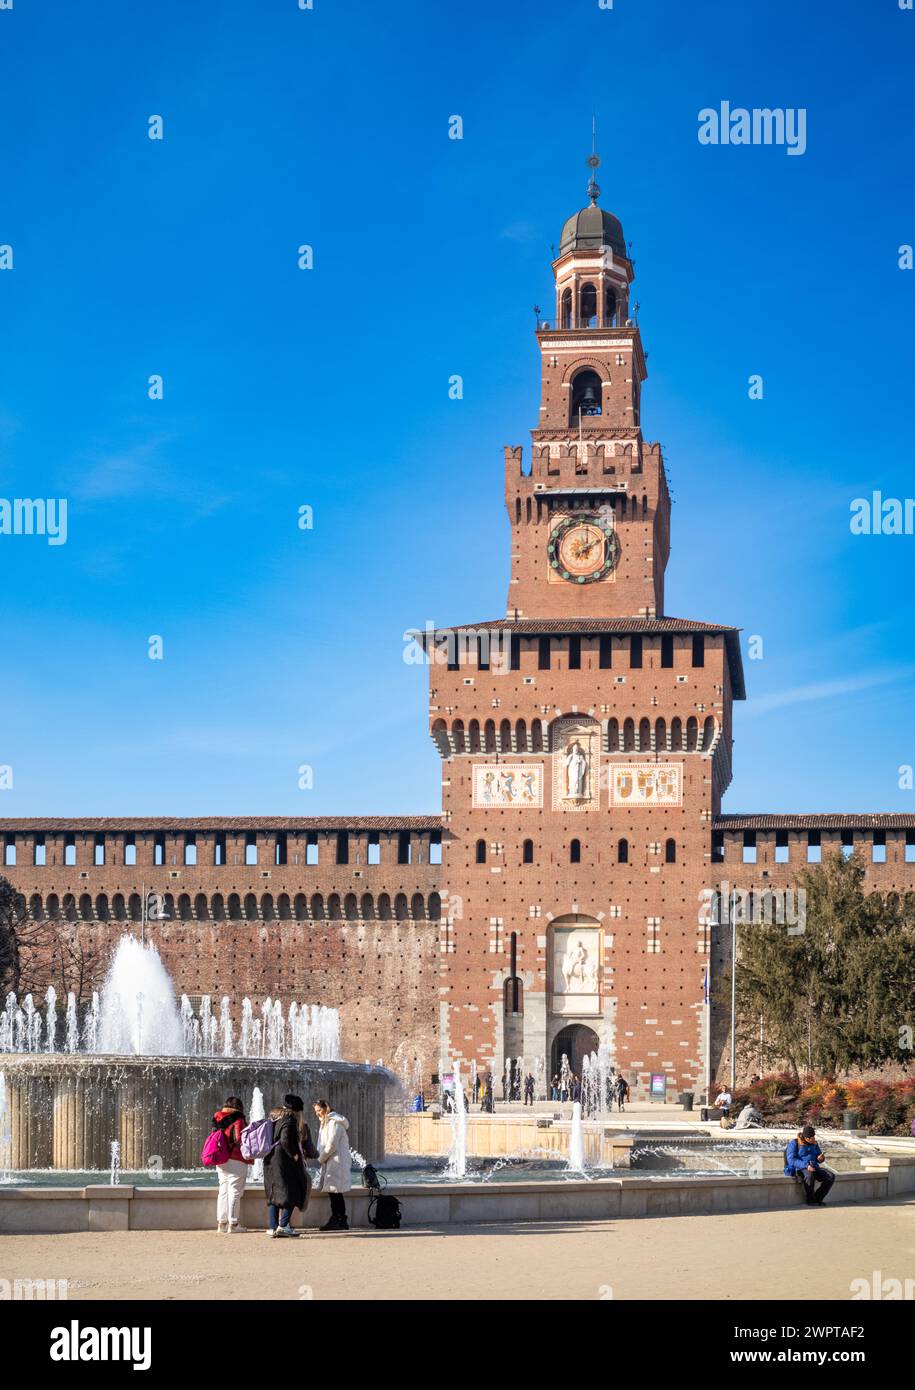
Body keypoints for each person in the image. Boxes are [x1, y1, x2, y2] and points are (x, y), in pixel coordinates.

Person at [264, 1093, 316, 1238]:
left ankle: (272, 1227)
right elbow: (286, 1139)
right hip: (283, 1160)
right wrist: (294, 1154)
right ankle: (283, 1225)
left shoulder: (275, 1116)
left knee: (274, 1193)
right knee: (292, 1192)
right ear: (297, 1109)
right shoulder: (289, 1119)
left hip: (270, 1158)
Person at [212, 1095, 253, 1234]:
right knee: (235, 1191)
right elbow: (240, 1139)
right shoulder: (238, 1119)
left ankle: (221, 1224)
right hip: (236, 1158)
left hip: (221, 1159)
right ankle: (233, 1224)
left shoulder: (218, 1118)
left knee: (223, 1191)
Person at [314, 1098, 353, 1232]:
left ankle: (338, 1219)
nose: (317, 1114)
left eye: (319, 1111)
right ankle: (340, 1219)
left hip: (336, 1161)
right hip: (333, 1160)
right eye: (316, 1111)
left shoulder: (334, 1123)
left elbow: (331, 1145)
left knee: (335, 1191)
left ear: (326, 1109)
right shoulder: (327, 1122)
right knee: (334, 1191)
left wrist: (320, 1158)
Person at [785, 1124, 835, 1206]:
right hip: (800, 1168)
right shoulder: (794, 1143)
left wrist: (820, 1158)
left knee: (830, 1176)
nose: (814, 1139)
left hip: (814, 1167)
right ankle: (811, 1200)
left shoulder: (814, 1143)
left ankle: (818, 1198)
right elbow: (791, 1160)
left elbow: (818, 1157)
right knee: (809, 1175)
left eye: (814, 1137)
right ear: (807, 1138)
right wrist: (806, 1166)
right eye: (812, 1137)